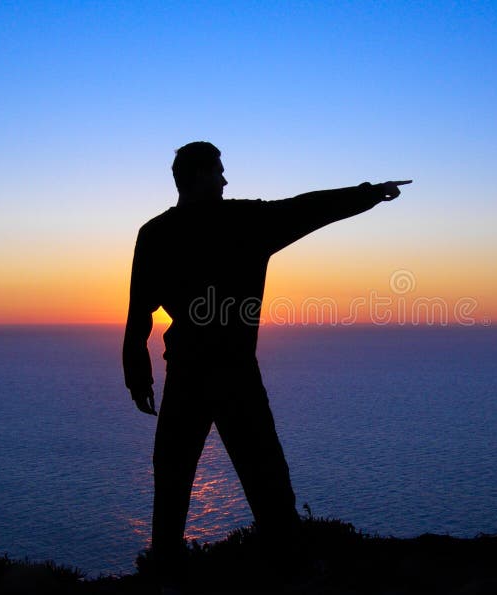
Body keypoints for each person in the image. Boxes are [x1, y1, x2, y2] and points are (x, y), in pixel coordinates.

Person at [122, 141, 409, 586]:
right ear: (197, 175)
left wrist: (137, 374)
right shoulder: (245, 222)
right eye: (218, 171)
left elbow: (140, 308)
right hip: (233, 373)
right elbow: (309, 209)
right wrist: (370, 193)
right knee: (266, 478)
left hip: (187, 373)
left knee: (175, 479)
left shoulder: (156, 233)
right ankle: (290, 569)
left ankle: (166, 576)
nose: (224, 179)